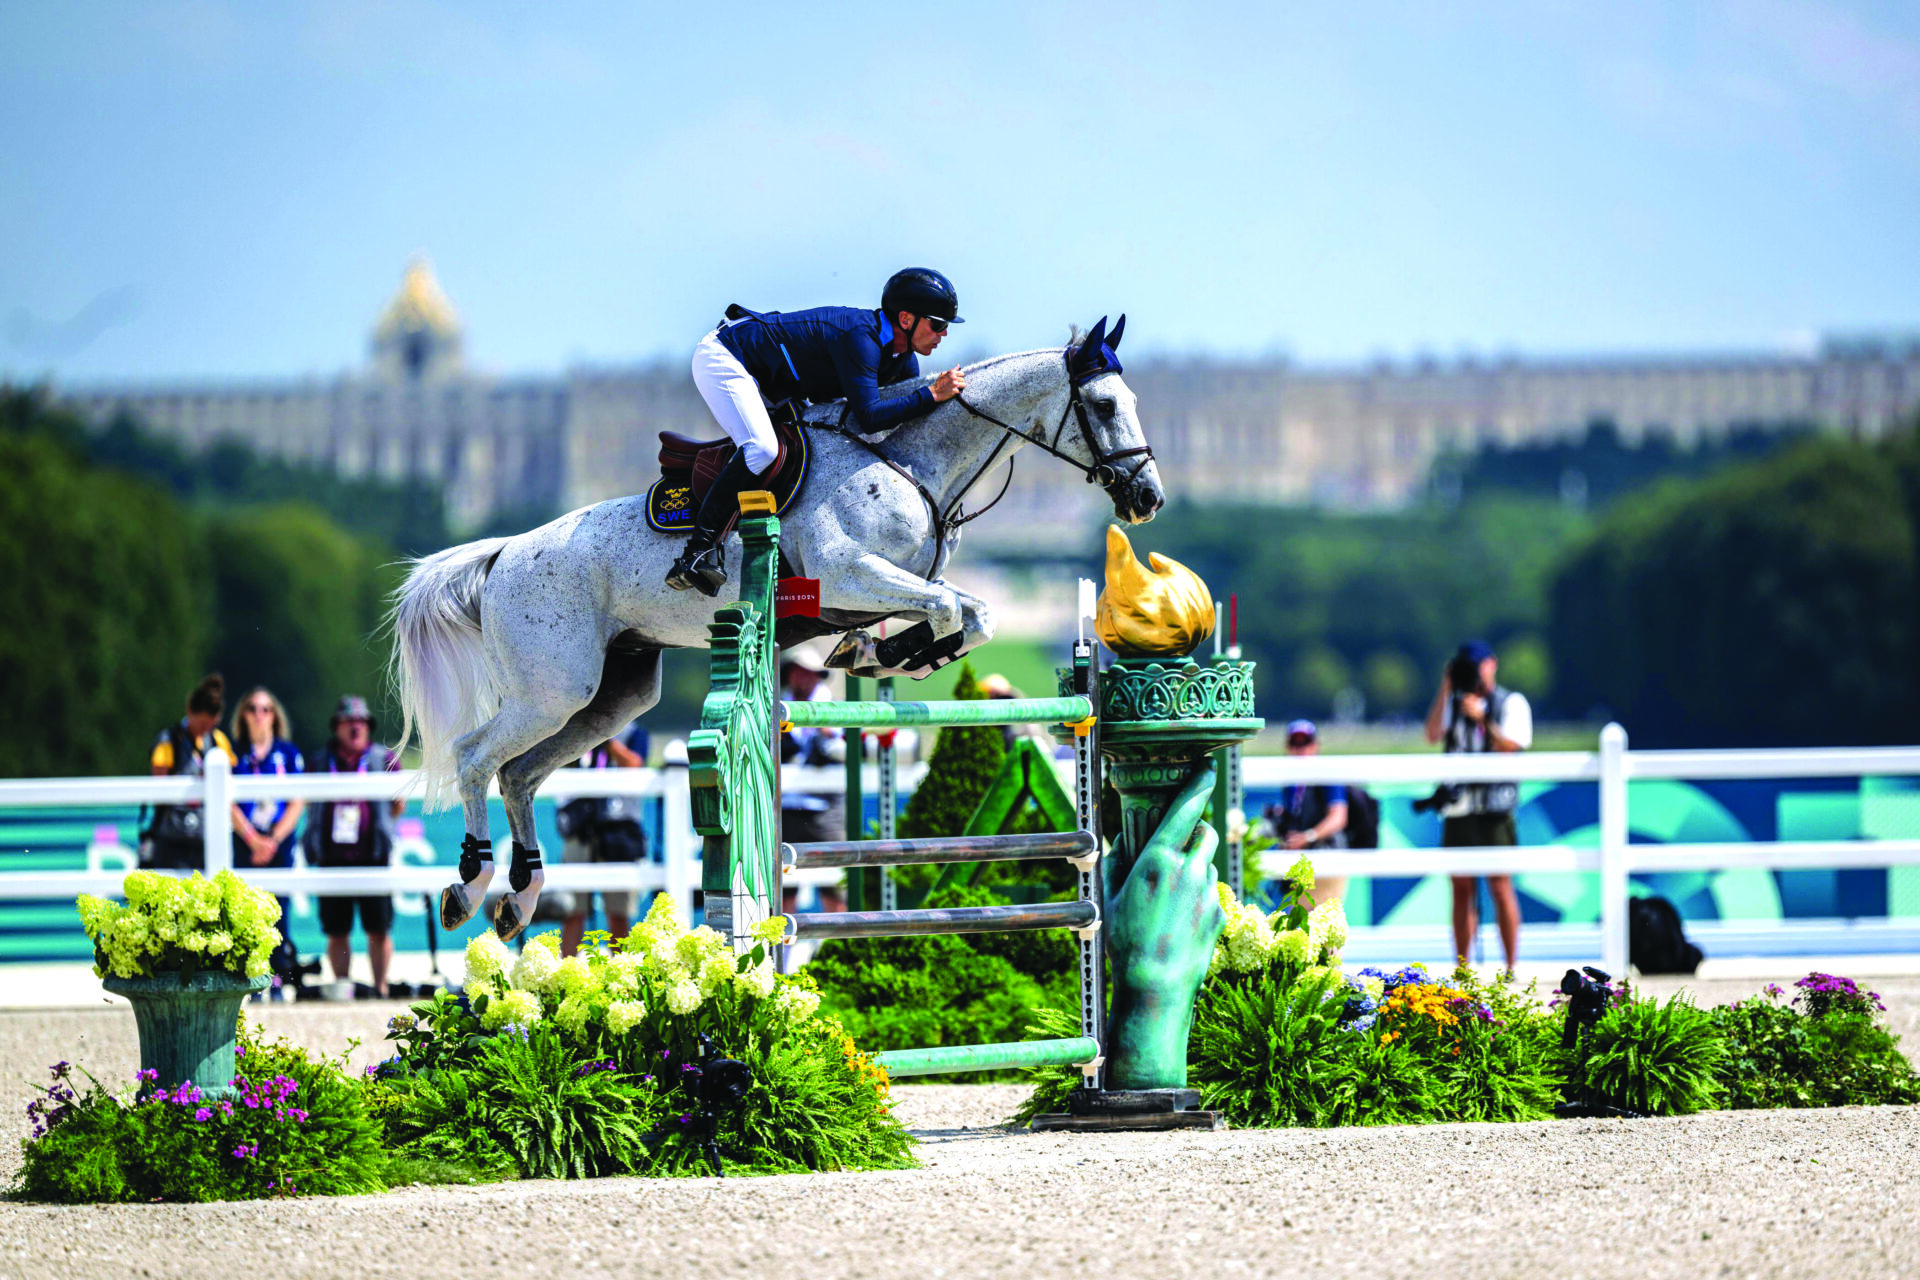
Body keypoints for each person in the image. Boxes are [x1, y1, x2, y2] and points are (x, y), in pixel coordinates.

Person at [667, 268, 969, 596]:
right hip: (727, 358)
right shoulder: (861, 339)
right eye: (938, 324)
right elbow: (869, 417)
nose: (944, 334)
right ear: (906, 319)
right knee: (762, 449)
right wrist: (932, 395)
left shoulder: (902, 360)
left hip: (775, 383)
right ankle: (696, 553)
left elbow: (891, 422)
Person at [1423, 639, 1533, 971]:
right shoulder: (1453, 703)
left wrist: (1482, 718)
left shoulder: (1510, 702)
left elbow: (1512, 746)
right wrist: (1445, 690)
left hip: (1495, 807)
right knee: (1460, 888)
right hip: (1459, 807)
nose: (1474, 672)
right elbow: (1431, 734)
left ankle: (1512, 968)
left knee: (1500, 885)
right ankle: (1463, 968)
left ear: (1493, 664)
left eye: (1477, 664)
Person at [304, 696, 402, 997]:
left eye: (361, 722)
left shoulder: (385, 759)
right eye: (349, 722)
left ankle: (380, 987)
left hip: (372, 854)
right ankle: (343, 987)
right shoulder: (320, 762)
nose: (356, 727)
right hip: (331, 856)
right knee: (337, 930)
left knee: (379, 928)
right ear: (337, 727)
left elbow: (398, 803)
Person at [228, 686, 305, 996]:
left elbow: (297, 802)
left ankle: (277, 977)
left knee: (278, 911)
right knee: (246, 910)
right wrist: (252, 839)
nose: (259, 715)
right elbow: (226, 801)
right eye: (252, 709)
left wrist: (271, 840)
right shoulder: (232, 754)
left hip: (279, 842)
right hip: (244, 841)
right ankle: (250, 978)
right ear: (243, 715)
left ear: (275, 716)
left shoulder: (288, 753)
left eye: (266, 709)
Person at [558, 733, 647, 957]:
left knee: (617, 912)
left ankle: (621, 974)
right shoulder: (579, 729)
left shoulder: (634, 731)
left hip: (617, 830)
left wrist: (606, 739)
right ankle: (565, 975)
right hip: (581, 828)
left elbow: (635, 765)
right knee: (572, 910)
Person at [143, 674, 236, 871]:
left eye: (211, 724)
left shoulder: (219, 742)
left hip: (206, 835)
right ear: (190, 712)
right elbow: (158, 791)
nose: (206, 729)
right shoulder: (169, 741)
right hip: (172, 836)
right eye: (202, 724)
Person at [1264, 720, 1351, 905]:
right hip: (1301, 863)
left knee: (1322, 925)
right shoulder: (1290, 781)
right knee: (1300, 926)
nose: (1300, 749)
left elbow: (1338, 817)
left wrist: (1308, 837)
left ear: (1316, 746)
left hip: (1327, 858)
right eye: (1294, 743)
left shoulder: (1326, 774)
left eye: (1305, 743)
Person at [778, 642, 845, 845]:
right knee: (781, 871)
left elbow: (839, 749)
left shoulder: (836, 708)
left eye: (807, 672)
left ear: (817, 675)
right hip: (785, 808)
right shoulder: (776, 709)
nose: (801, 677)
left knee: (833, 867)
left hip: (826, 807)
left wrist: (825, 735)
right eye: (796, 671)